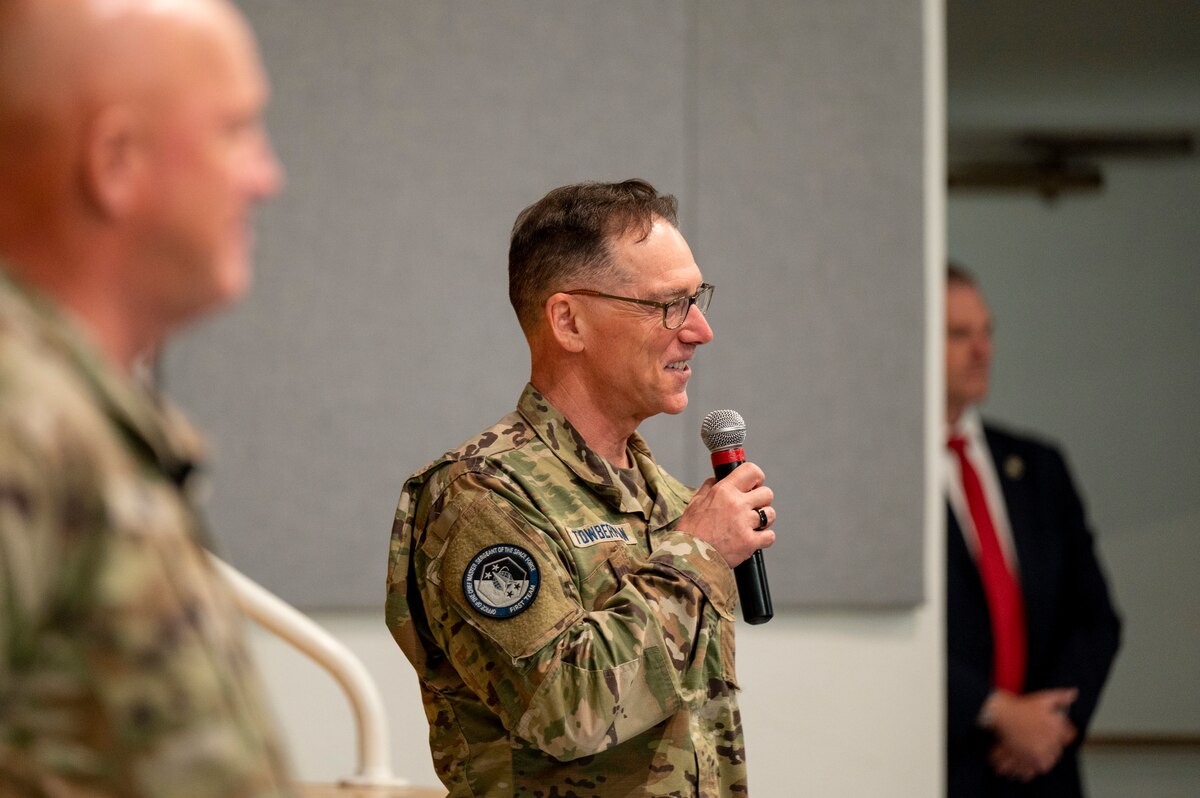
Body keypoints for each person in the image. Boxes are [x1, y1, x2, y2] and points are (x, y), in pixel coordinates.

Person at [386, 179, 776, 797]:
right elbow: (566, 709)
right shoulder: (479, 497)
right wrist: (696, 557)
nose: (699, 330)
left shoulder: (674, 505)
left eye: (697, 298)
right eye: (666, 304)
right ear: (568, 320)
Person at [0, 0, 293, 795]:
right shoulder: (18, 415)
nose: (268, 176)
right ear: (116, 161)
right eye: (236, 131)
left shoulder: (75, 410)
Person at [944, 264, 1121, 797]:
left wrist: (1049, 726)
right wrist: (993, 712)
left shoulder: (1038, 466)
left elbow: (1095, 619)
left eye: (987, 331)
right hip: (946, 765)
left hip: (1045, 770)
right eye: (958, 334)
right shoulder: (890, 476)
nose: (982, 350)